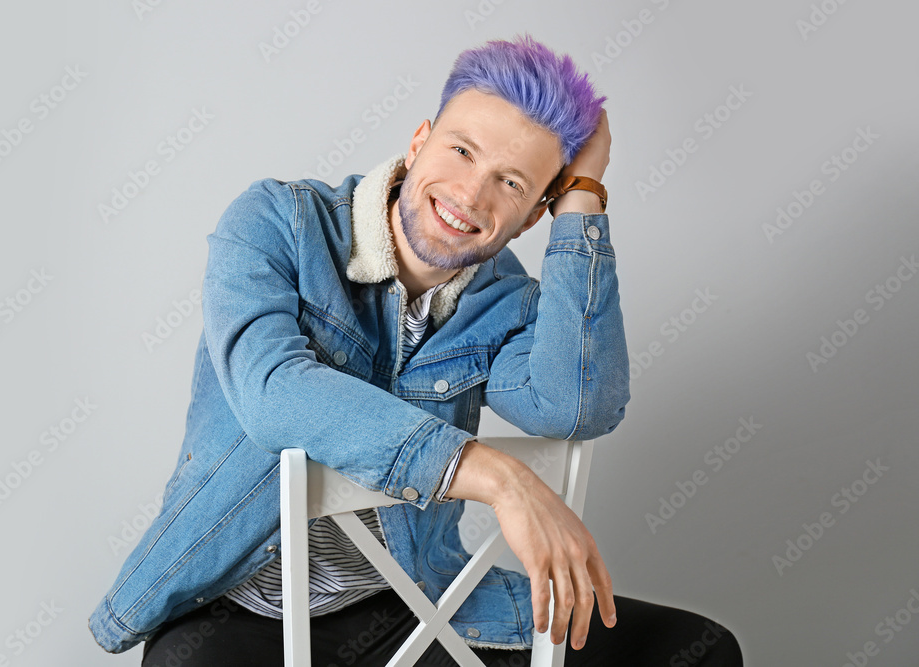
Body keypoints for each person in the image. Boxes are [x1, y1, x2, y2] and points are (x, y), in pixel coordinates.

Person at [88, 34, 743, 665]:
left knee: (698, 648)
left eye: (512, 183)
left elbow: (576, 406)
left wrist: (583, 199)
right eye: (461, 151)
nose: (470, 195)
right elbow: (274, 393)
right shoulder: (276, 222)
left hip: (407, 602)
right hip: (237, 605)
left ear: (534, 212)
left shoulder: (506, 299)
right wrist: (500, 478)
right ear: (419, 140)